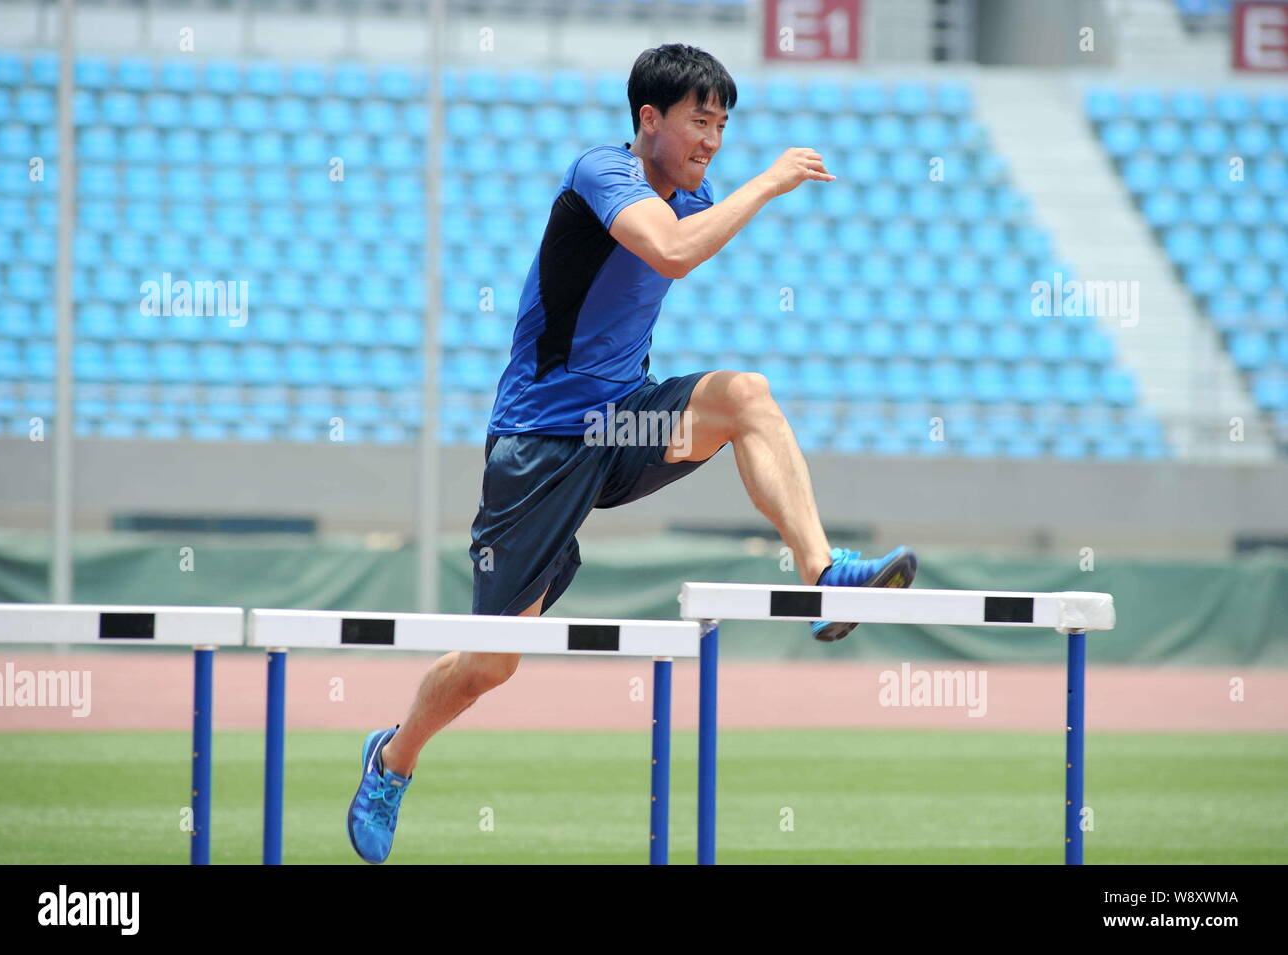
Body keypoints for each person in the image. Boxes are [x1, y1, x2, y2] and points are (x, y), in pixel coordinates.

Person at [347, 43, 917, 864]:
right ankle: (392, 757)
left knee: (745, 397)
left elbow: (669, 262)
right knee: (490, 662)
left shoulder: (692, 191)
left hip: (619, 430)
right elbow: (673, 252)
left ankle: (824, 575)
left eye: (722, 124)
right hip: (542, 444)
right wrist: (769, 180)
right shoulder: (601, 174)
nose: (712, 140)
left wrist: (733, 189)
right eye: (699, 121)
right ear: (648, 120)